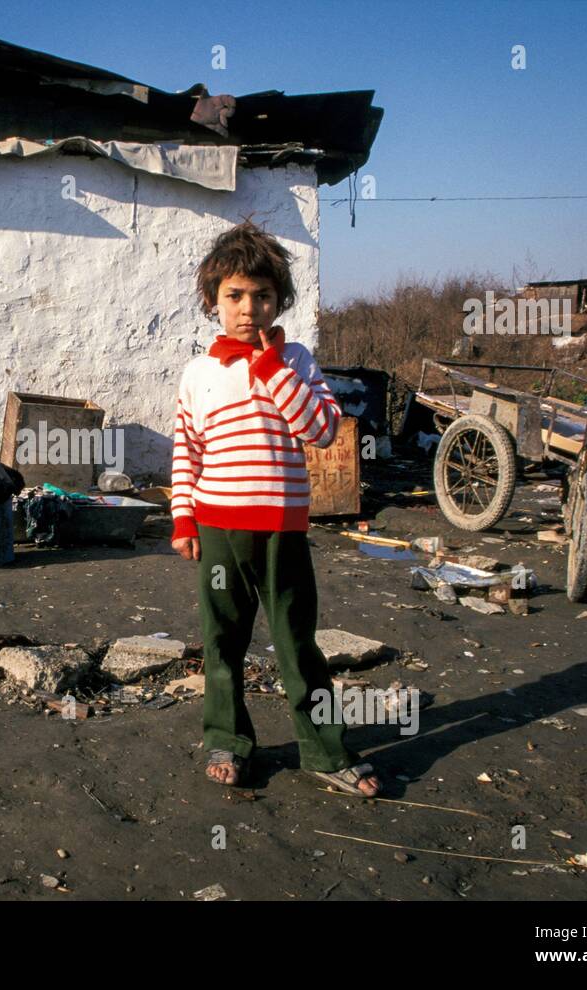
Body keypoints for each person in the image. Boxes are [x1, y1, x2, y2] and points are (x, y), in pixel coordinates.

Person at [170, 221, 381, 796]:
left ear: (279, 300)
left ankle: (324, 750)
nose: (249, 309)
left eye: (262, 295)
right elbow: (186, 451)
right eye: (234, 296)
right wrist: (182, 519)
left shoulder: (296, 361)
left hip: (283, 529)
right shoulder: (199, 373)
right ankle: (227, 739)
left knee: (297, 641)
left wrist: (270, 369)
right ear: (212, 301)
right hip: (218, 528)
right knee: (222, 640)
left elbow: (321, 429)